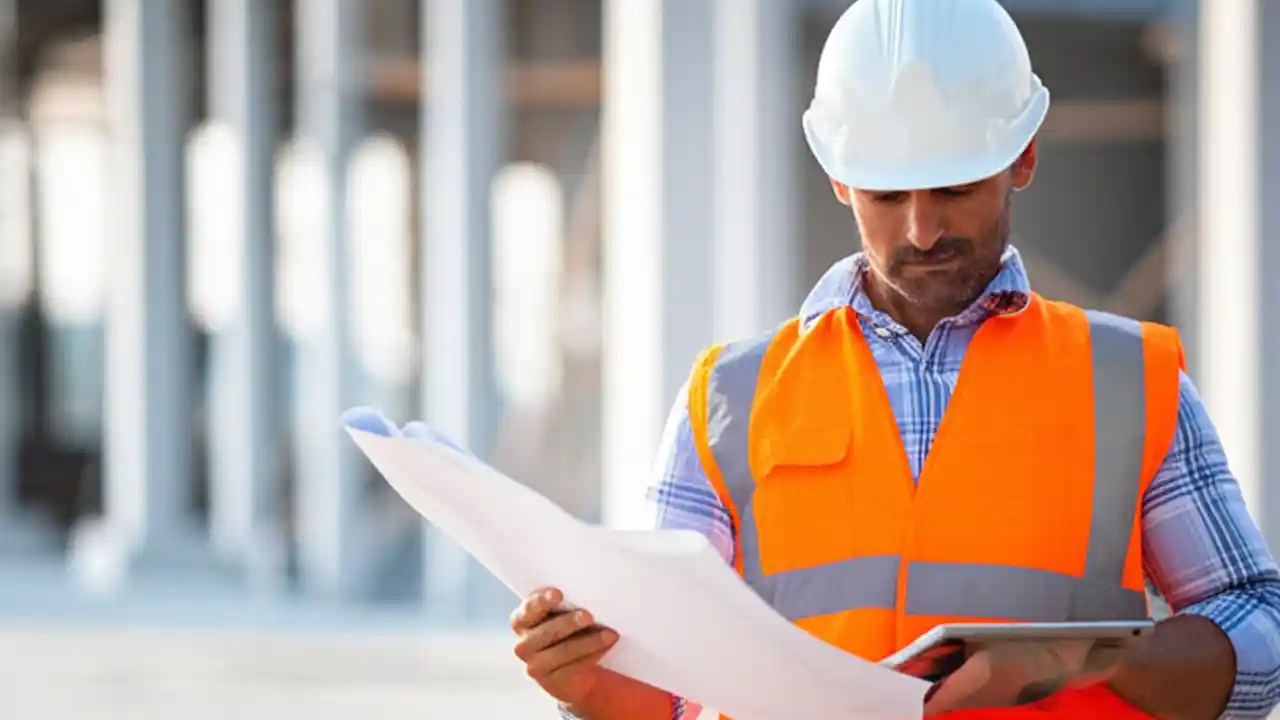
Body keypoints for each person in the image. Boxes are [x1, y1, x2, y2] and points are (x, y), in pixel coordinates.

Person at [510, 1, 1280, 718]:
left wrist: (1094, 661)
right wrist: (586, 682)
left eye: (955, 188)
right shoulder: (729, 399)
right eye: (887, 194)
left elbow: (1259, 631)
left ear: (1023, 157)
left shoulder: (1128, 382)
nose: (920, 230)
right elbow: (672, 688)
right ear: (841, 178)